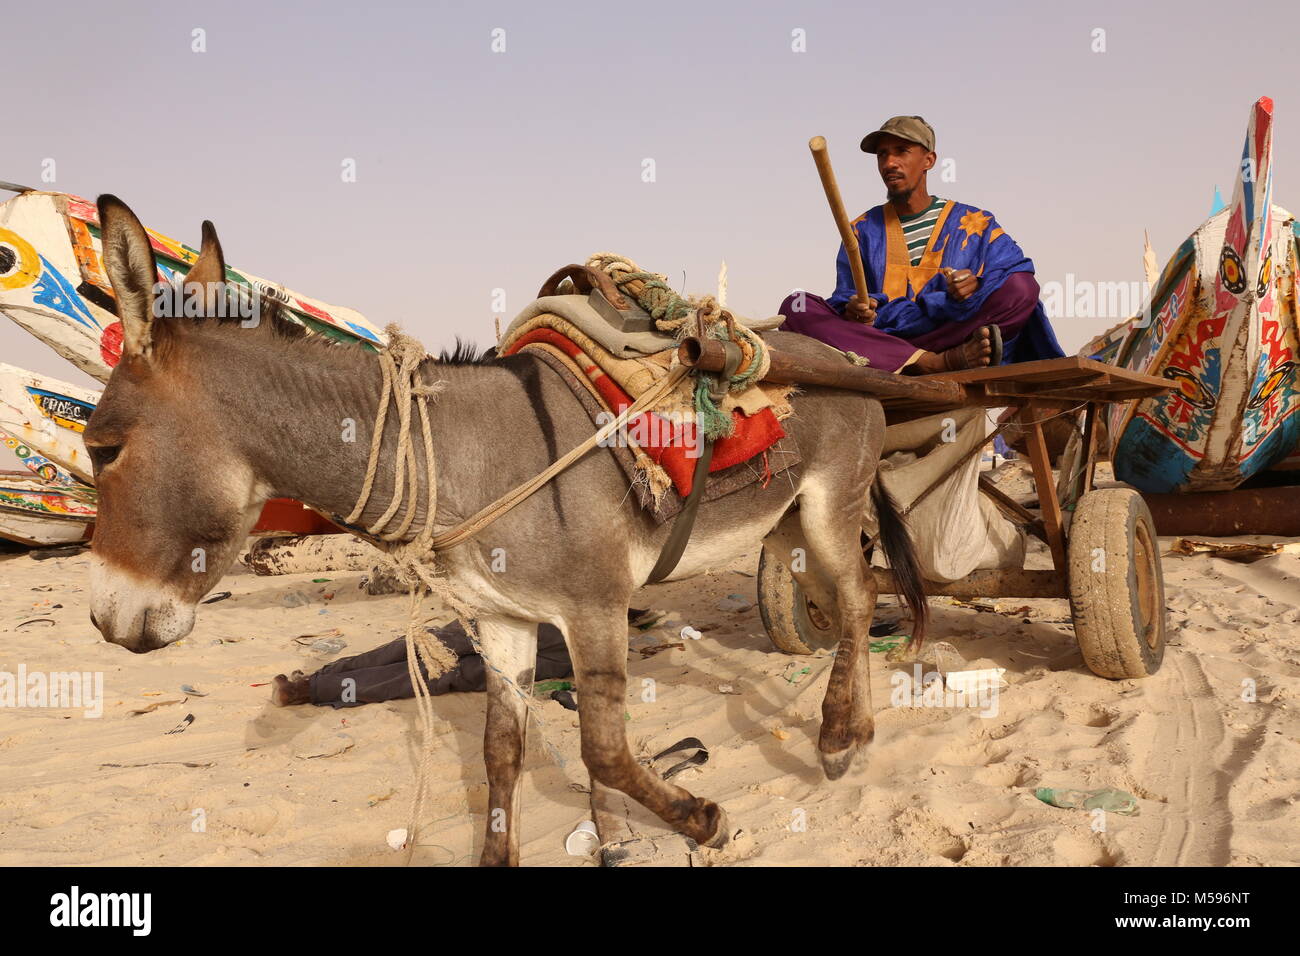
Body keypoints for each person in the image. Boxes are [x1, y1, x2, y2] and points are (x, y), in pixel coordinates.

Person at [779, 115, 1064, 373]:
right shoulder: (860, 230)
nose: (889, 163)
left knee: (1022, 289)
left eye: (902, 151)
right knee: (797, 306)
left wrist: (978, 285)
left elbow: (1016, 272)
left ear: (929, 160)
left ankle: (930, 355)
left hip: (952, 331)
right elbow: (845, 296)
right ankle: (933, 362)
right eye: (882, 155)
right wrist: (856, 308)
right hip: (885, 338)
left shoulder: (974, 221)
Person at [270, 608, 663, 707]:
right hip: (569, 650)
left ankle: (312, 685)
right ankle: (317, 685)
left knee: (427, 648)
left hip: (542, 625)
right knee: (442, 671)